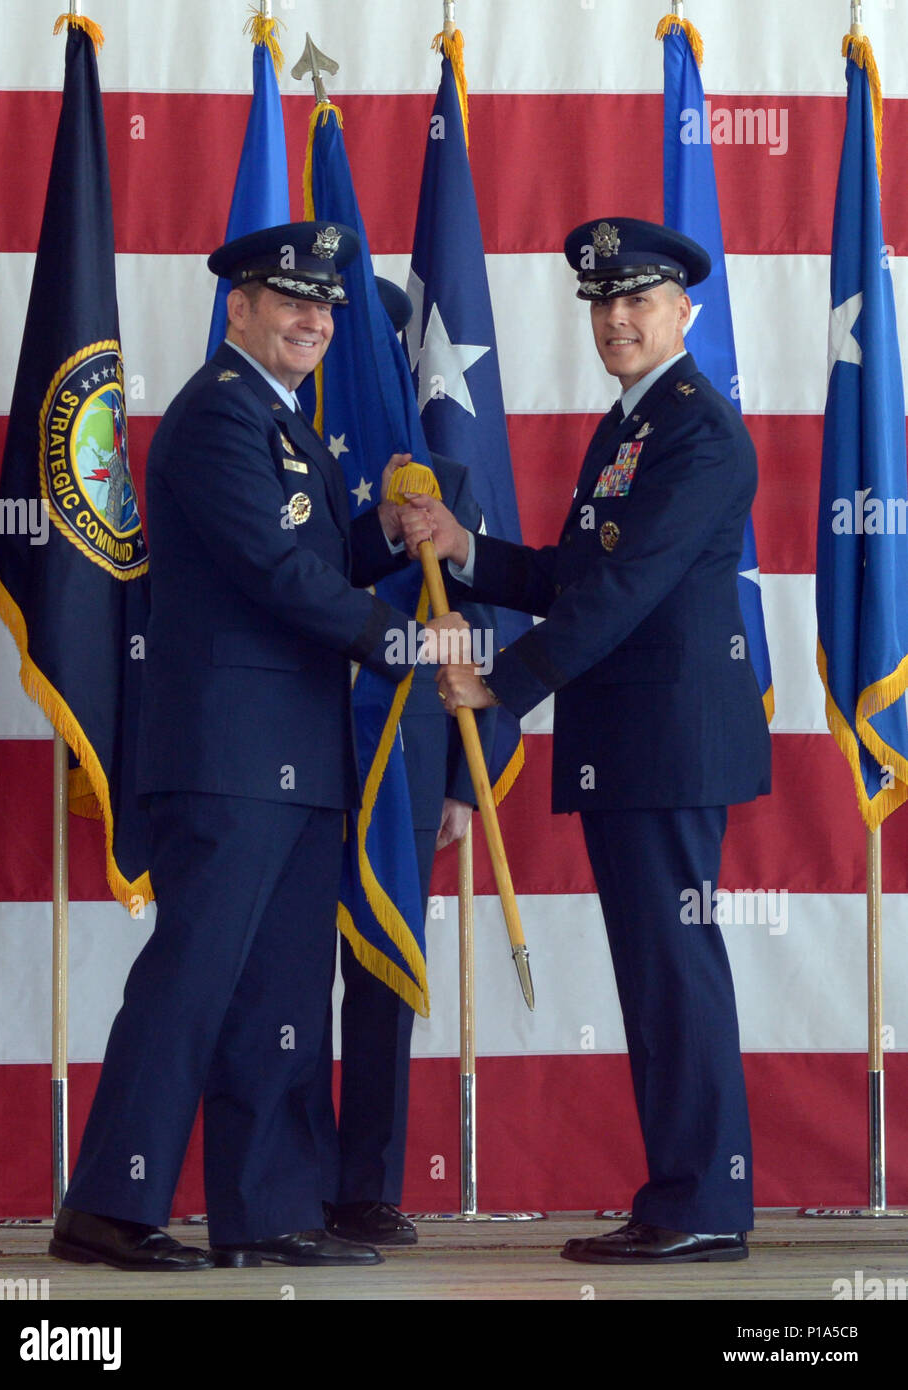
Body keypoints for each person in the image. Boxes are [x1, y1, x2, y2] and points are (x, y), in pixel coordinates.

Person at [49, 222, 457, 1272]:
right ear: (238, 306)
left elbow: (314, 553)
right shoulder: (215, 417)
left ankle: (266, 1210)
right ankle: (108, 1203)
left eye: (326, 308)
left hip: (292, 756)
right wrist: (398, 638)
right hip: (229, 758)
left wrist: (394, 529)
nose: (315, 321)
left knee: (277, 995)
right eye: (293, 302)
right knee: (193, 978)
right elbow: (276, 573)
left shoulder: (284, 422)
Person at [399, 218, 772, 1265]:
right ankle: (684, 1194)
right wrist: (465, 549)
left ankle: (700, 1201)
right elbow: (576, 568)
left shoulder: (695, 429)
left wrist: (501, 685)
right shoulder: (632, 427)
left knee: (671, 969)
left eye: (635, 301)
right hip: (631, 739)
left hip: (668, 741)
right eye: (601, 304)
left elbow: (622, 589)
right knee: (656, 970)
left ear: (683, 312)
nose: (614, 319)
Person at [319, 279, 496, 1248]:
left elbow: (485, 631)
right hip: (304, 749)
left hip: (406, 762)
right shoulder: (294, 463)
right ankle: (291, 1178)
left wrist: (461, 782)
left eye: (380, 347)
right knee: (294, 973)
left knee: (382, 976)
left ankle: (366, 1185)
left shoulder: (451, 485)